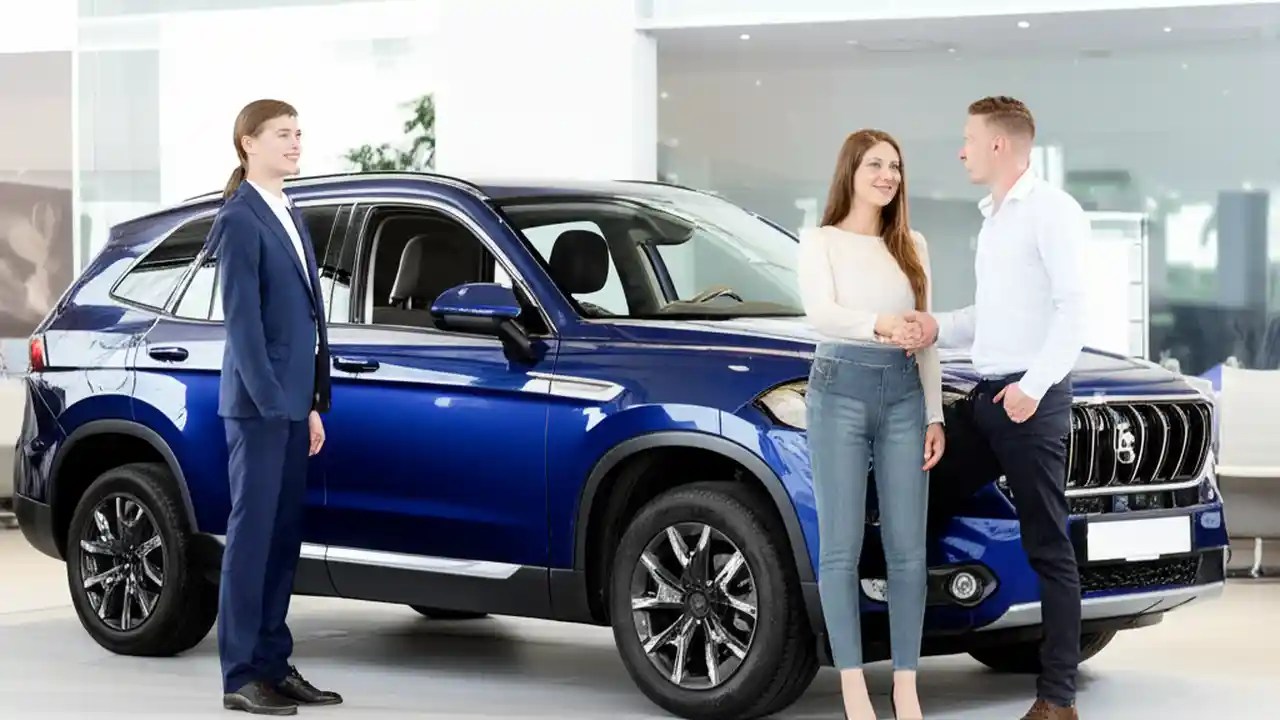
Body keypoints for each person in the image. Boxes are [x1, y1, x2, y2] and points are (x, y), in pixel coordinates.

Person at [894, 96, 1087, 720]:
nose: (962, 150)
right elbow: (990, 320)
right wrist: (934, 326)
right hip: (987, 398)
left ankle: (1057, 698)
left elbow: (1073, 309)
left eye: (969, 139)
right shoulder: (995, 218)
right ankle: (927, 634)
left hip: (1031, 401)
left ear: (999, 145)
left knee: (1048, 546)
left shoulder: (1051, 211)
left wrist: (1033, 387)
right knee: (918, 493)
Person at [799, 129, 945, 720]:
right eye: (876, 164)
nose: (888, 175)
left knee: (908, 549)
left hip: (906, 394)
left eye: (896, 166)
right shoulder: (821, 240)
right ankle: (853, 688)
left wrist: (935, 413)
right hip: (839, 389)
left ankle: (905, 684)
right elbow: (822, 314)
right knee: (842, 548)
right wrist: (883, 323)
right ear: (851, 172)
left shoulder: (913, 244)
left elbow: (927, 335)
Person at [212, 99, 339, 715]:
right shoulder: (240, 220)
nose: (295, 143)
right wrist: (270, 402)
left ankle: (273, 663)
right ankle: (240, 674)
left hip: (290, 406)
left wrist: (312, 402)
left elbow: (308, 320)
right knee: (252, 538)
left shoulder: (289, 210)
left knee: (283, 538)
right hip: (258, 407)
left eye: (298, 134)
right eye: (282, 134)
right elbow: (242, 324)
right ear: (248, 144)